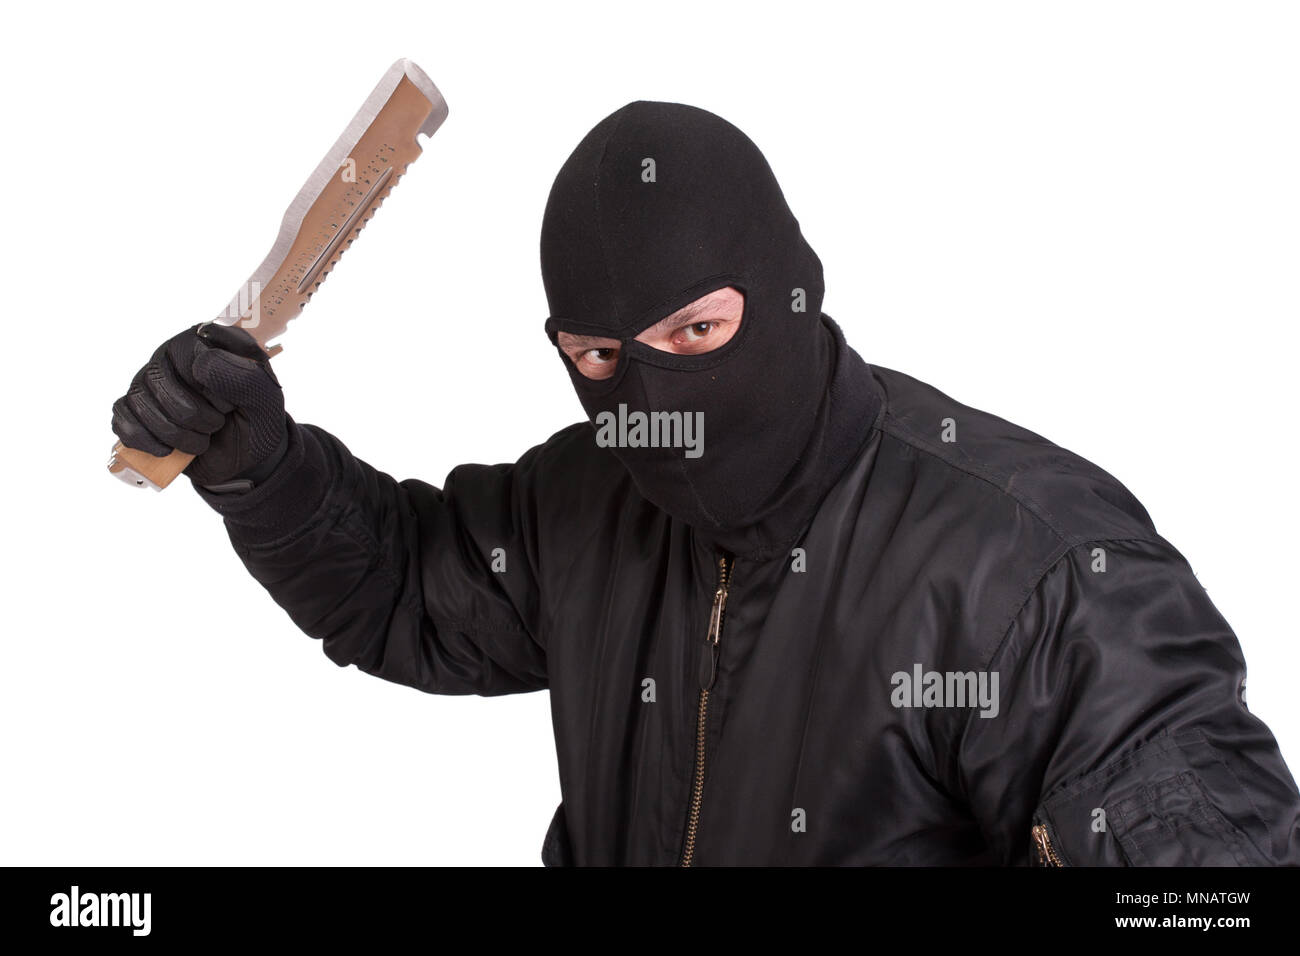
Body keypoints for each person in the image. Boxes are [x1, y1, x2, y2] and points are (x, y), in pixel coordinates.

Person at [110, 100, 1300, 866]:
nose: (651, 398)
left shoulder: (1027, 570)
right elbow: (405, 590)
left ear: (791, 289)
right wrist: (261, 466)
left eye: (696, 331)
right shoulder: (588, 501)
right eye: (598, 357)